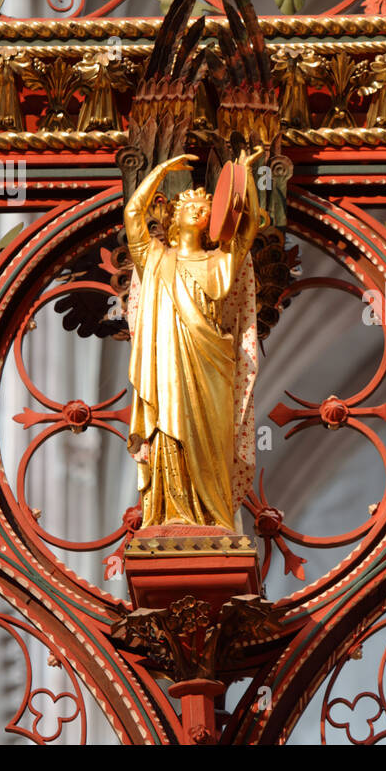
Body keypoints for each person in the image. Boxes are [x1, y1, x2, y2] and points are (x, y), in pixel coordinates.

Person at [123, 153, 260, 530]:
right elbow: (134, 214)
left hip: (211, 363)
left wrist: (243, 180)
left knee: (212, 444)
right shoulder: (154, 257)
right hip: (166, 366)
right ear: (175, 216)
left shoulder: (220, 260)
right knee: (168, 429)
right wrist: (161, 171)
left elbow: (247, 229)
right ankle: (169, 515)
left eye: (205, 210)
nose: (198, 213)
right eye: (192, 207)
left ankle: (214, 520)